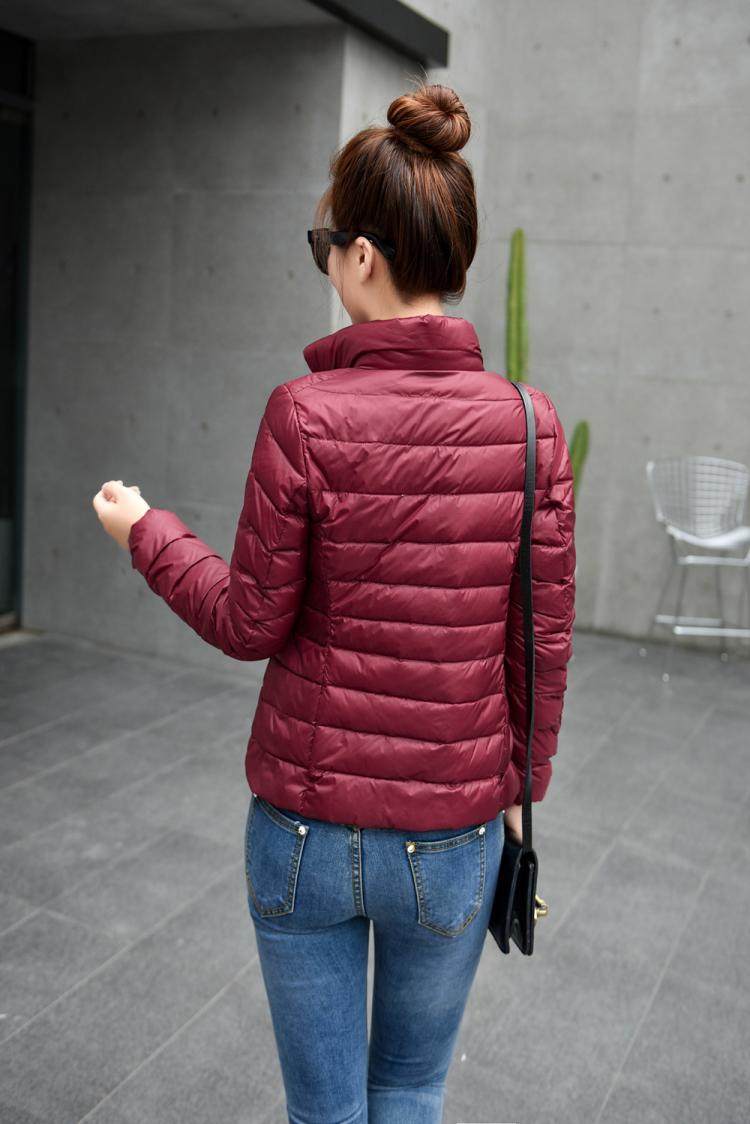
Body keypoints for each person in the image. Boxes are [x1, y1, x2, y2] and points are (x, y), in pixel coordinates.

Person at [93, 80, 576, 1124]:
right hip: (454, 831)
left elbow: (248, 622)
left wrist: (145, 533)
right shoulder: (531, 426)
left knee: (325, 1113)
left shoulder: (303, 414)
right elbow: (540, 646)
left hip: (305, 829)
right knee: (411, 1090)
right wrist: (517, 790)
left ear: (362, 256)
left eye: (326, 245)